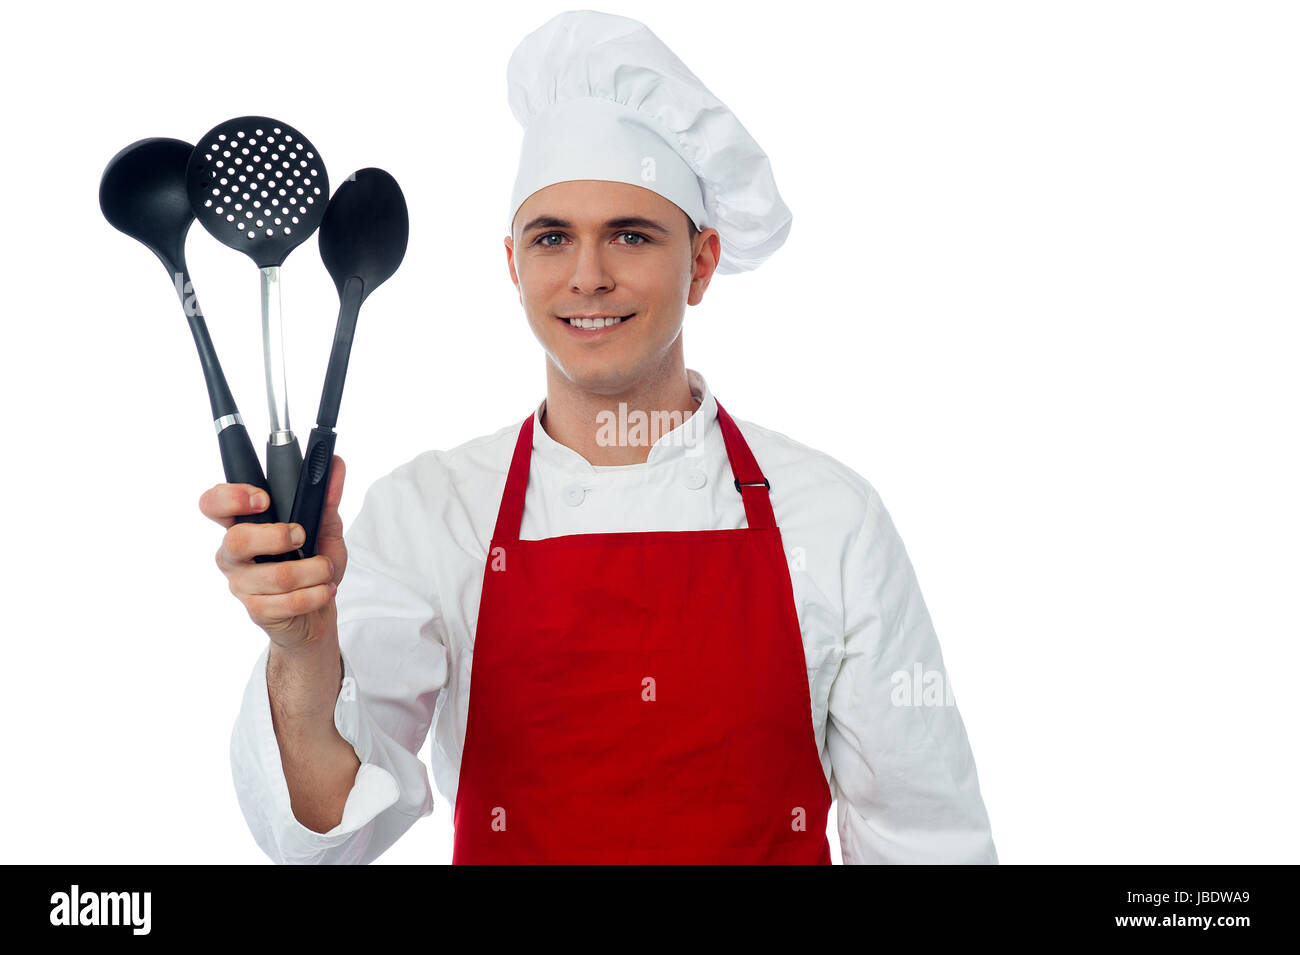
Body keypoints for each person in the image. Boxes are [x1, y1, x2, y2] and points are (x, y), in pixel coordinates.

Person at [202, 9, 998, 864]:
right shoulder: (433, 515)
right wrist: (304, 646)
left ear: (700, 264)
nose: (588, 275)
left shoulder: (832, 519)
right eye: (553, 238)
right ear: (514, 265)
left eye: (630, 233)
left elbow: (928, 840)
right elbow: (327, 831)